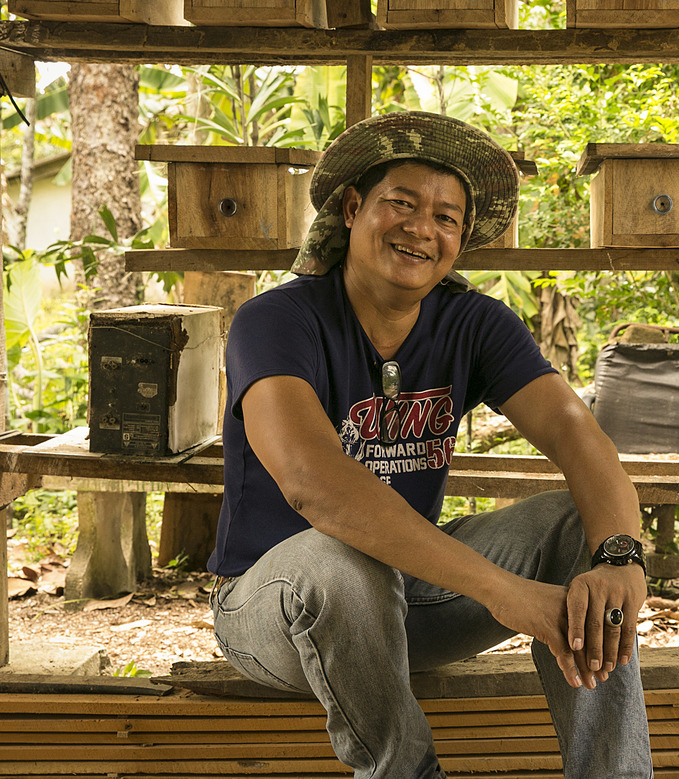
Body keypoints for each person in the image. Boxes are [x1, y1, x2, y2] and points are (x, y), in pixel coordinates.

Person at [206, 110, 653, 779]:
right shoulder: (276, 320)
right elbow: (312, 481)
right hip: (274, 610)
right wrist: (505, 592)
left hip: (408, 600)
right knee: (338, 560)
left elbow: (573, 431)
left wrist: (620, 558)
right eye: (402, 204)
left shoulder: (473, 322)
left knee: (574, 526)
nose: (423, 228)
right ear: (353, 209)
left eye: (447, 217)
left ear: (461, 238)